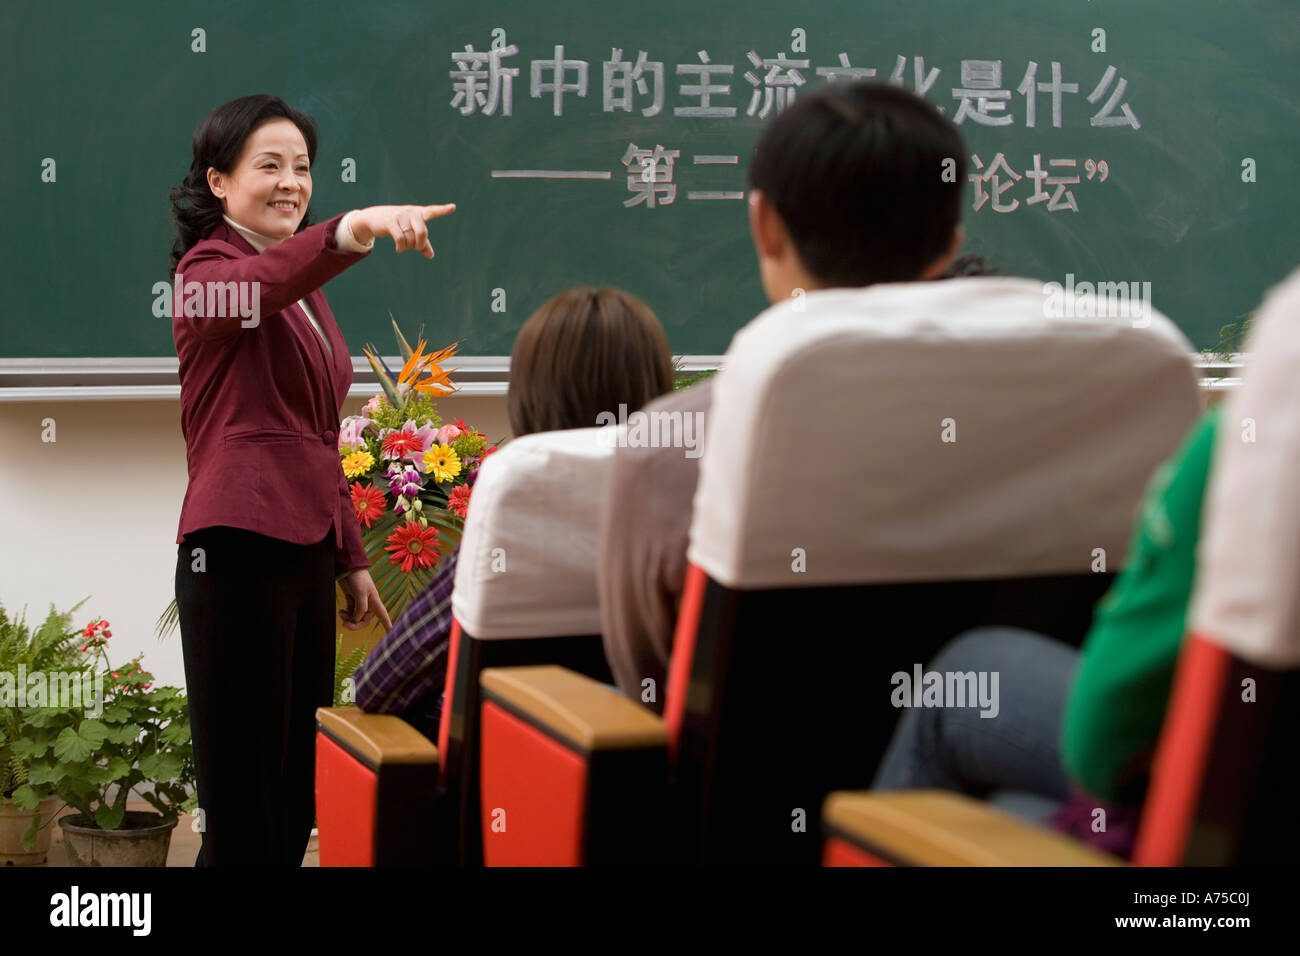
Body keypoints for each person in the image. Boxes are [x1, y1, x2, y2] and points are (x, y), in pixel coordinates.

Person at [599, 80, 965, 712]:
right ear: (948, 250)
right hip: (984, 800)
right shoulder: (1055, 425)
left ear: (763, 223)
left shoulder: (673, 446)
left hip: (738, 800)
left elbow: (647, 681)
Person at [170, 93, 456, 866]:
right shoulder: (208, 275)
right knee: (245, 808)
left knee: (295, 797)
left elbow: (317, 438)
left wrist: (350, 556)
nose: (292, 182)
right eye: (269, 165)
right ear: (219, 182)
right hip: (234, 549)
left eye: (302, 167)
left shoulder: (307, 294)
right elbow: (263, 287)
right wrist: (355, 226)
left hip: (301, 551)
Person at [871, 401, 1222, 858]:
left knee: (961, 680)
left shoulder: (1236, 450)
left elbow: (1101, 748)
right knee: (1009, 806)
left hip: (1186, 818)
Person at [353, 286, 675, 739]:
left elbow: (378, 686)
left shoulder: (517, 492)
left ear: (530, 391)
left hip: (507, 789)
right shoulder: (689, 498)